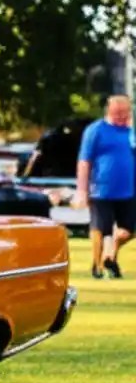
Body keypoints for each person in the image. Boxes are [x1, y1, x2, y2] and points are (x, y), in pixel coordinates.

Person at [74, 95, 134, 279]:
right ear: (109, 111)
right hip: (101, 189)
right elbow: (84, 161)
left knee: (128, 230)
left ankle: (111, 253)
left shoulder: (132, 132)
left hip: (129, 190)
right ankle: (97, 265)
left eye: (125, 113)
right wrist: (82, 190)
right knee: (100, 229)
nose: (122, 117)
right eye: (118, 113)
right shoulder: (96, 130)